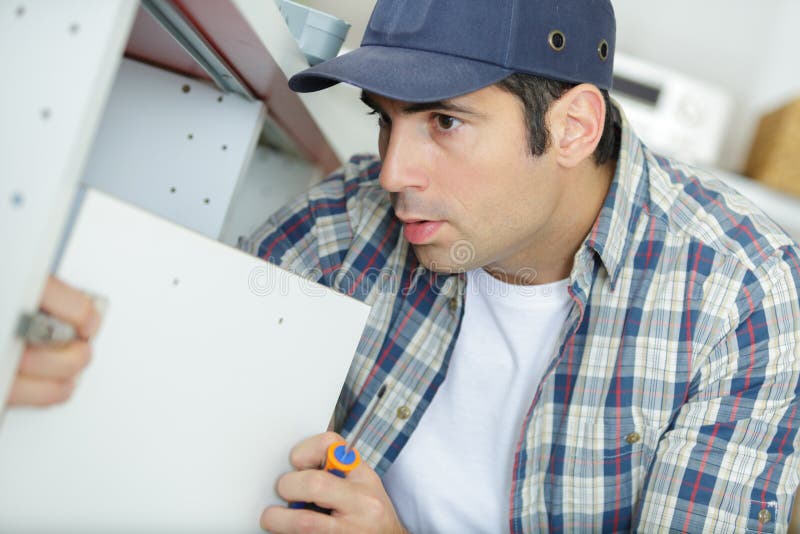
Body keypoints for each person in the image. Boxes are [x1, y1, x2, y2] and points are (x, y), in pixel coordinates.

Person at [10, 0, 800, 532]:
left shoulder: (742, 295)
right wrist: (50, 350)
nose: (393, 172)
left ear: (572, 128)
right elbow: (174, 368)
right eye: (385, 121)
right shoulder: (349, 217)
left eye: (446, 122)